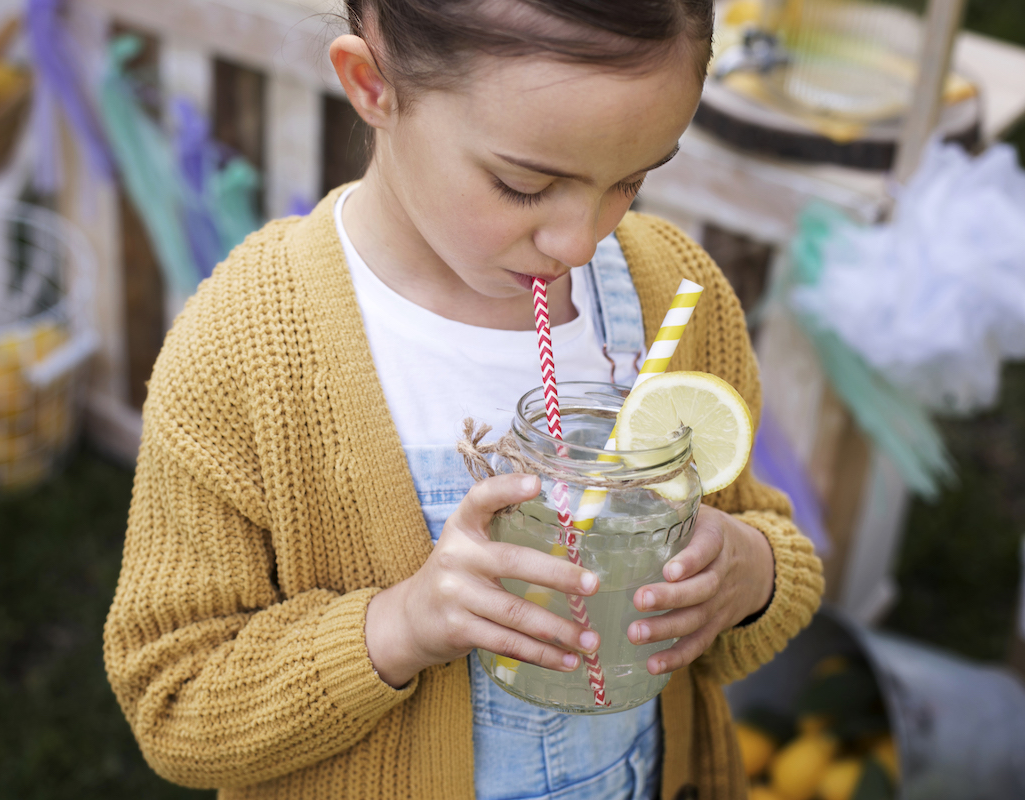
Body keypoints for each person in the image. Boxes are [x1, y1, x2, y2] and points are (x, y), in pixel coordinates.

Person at [104, 1, 825, 799]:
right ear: (372, 84)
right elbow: (173, 701)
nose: (579, 241)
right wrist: (401, 626)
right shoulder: (249, 346)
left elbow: (772, 540)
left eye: (632, 180)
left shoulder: (671, 299)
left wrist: (747, 576)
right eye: (525, 186)